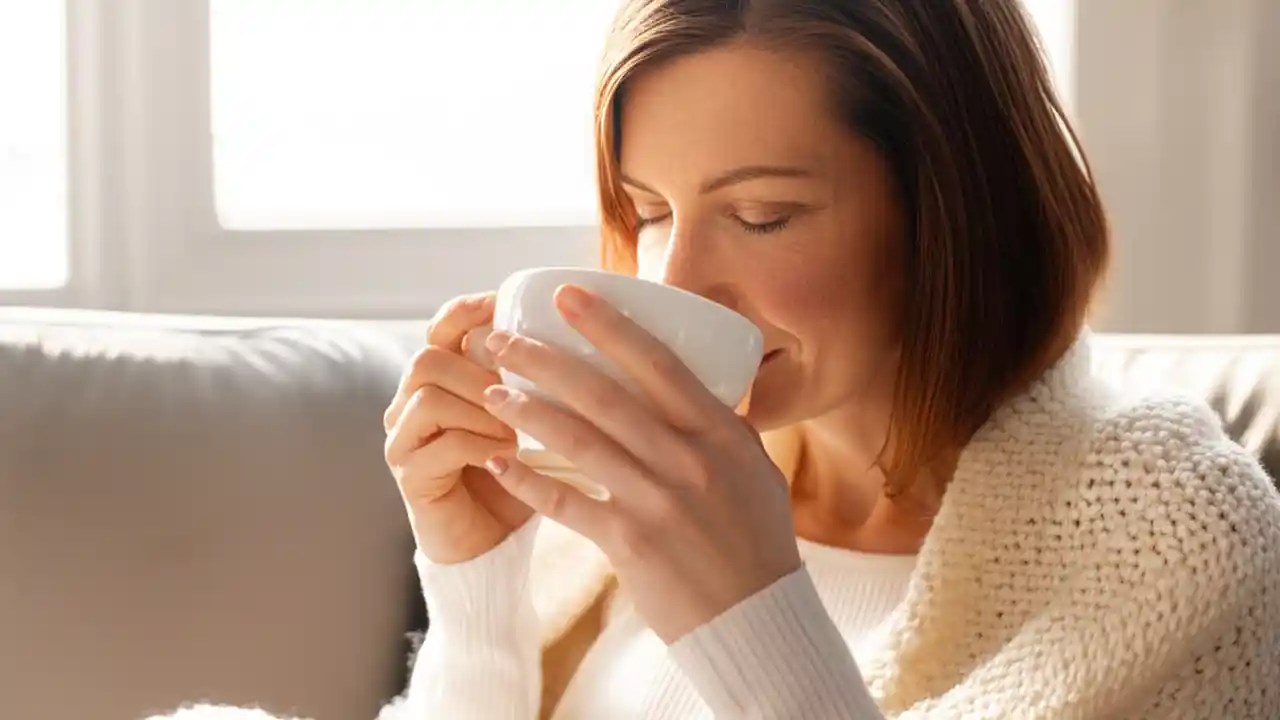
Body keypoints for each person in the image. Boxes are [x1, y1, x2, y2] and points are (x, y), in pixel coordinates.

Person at [162, 1, 1280, 719]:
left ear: (953, 212)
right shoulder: (632, 478)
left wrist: (748, 607)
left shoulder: (1170, 533)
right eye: (647, 211)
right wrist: (479, 594)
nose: (676, 279)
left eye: (760, 216)